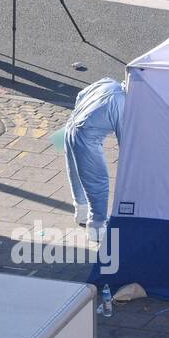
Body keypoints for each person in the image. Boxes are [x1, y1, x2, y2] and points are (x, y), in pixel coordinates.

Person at [64, 77, 126, 234]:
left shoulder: (109, 83)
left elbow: (80, 95)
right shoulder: (122, 103)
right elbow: (125, 140)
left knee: (76, 174)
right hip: (87, 138)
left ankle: (81, 213)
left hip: (71, 125)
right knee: (98, 181)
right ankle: (96, 228)